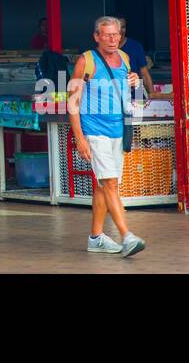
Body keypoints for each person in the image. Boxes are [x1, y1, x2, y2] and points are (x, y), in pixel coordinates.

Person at [68, 16, 145, 257]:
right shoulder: (86, 61)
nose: (113, 39)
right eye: (108, 35)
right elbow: (73, 102)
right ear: (97, 37)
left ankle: (95, 238)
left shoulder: (124, 58)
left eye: (116, 34)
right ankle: (127, 235)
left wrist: (134, 81)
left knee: (104, 186)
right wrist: (79, 137)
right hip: (95, 131)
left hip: (117, 130)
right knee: (110, 183)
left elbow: (126, 89)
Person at [118, 18, 155, 97]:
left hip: (138, 95)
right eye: (117, 27)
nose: (120, 31)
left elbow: (144, 74)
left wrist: (153, 97)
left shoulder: (135, 46)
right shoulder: (104, 51)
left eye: (123, 27)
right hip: (116, 99)